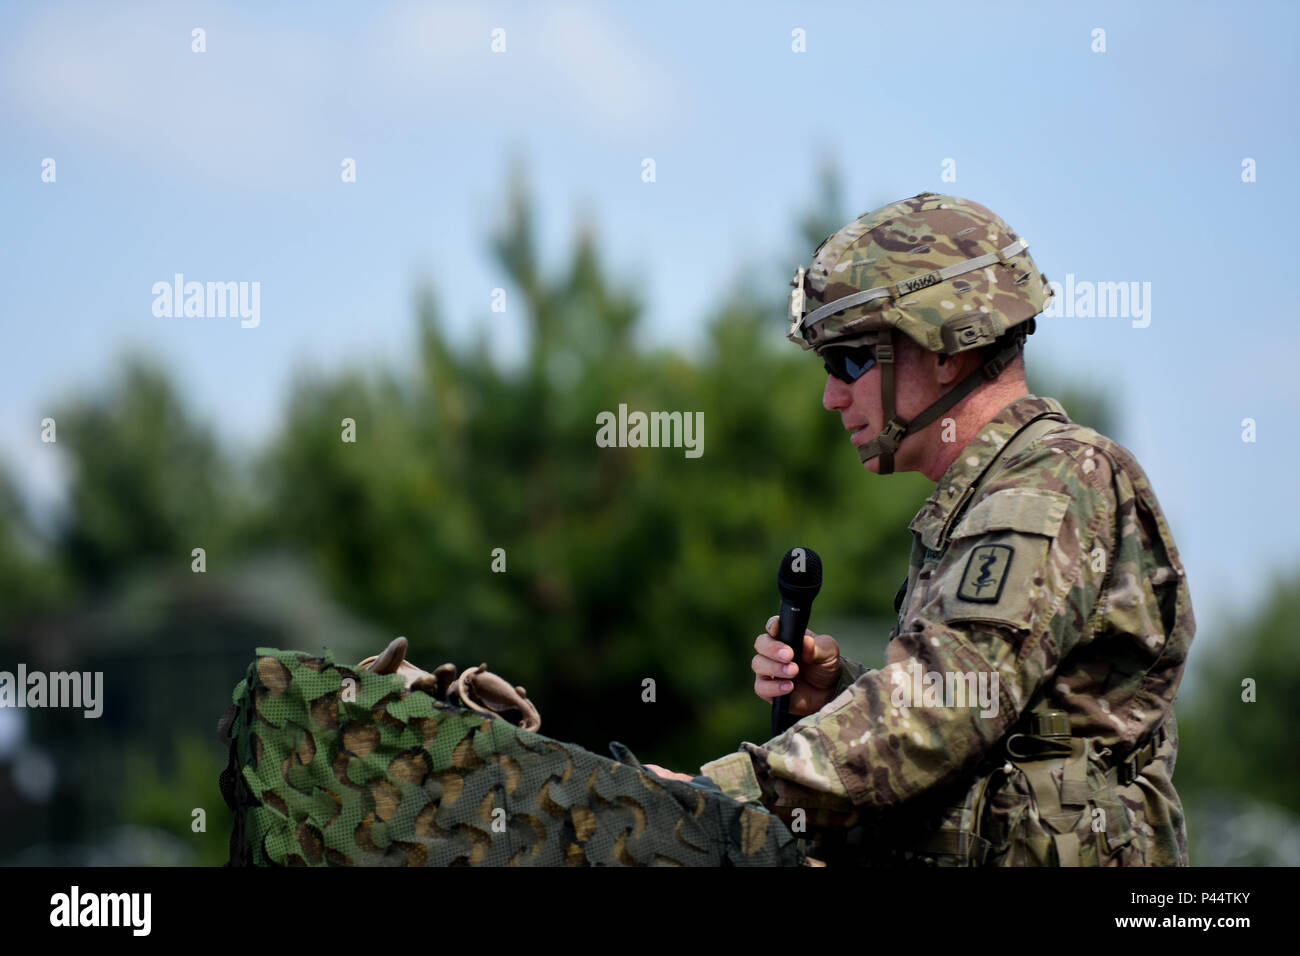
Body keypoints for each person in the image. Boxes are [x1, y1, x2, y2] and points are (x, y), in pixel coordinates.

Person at [646, 192, 1195, 866]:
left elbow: (941, 709)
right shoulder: (993, 493)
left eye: (849, 359)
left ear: (946, 348)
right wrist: (839, 695)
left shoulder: (1050, 482)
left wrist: (721, 795)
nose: (831, 395)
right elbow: (989, 726)